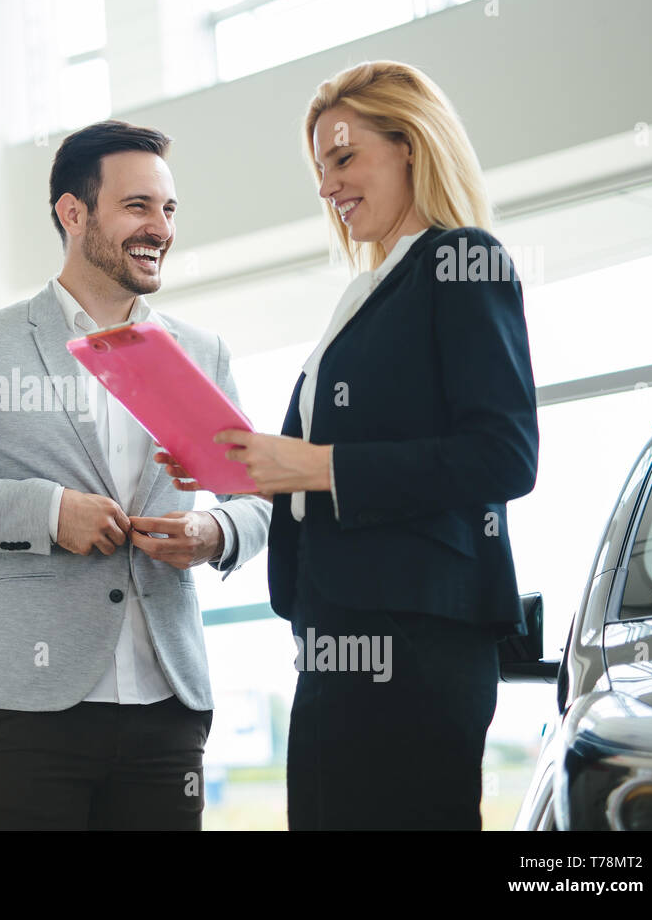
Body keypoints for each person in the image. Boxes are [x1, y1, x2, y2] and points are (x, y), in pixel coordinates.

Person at [156, 61, 539, 829]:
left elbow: (505, 455)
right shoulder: (366, 292)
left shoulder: (462, 261)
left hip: (418, 640)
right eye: (319, 170)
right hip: (333, 636)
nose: (327, 187)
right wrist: (245, 470)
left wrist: (319, 466)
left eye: (343, 158)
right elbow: (329, 468)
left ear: (410, 146)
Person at [0, 120, 272, 830]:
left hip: (167, 710)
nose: (160, 228)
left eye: (169, 209)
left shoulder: (201, 352)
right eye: (138, 207)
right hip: (30, 717)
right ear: (73, 212)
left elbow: (255, 498)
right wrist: (49, 512)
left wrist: (212, 530)